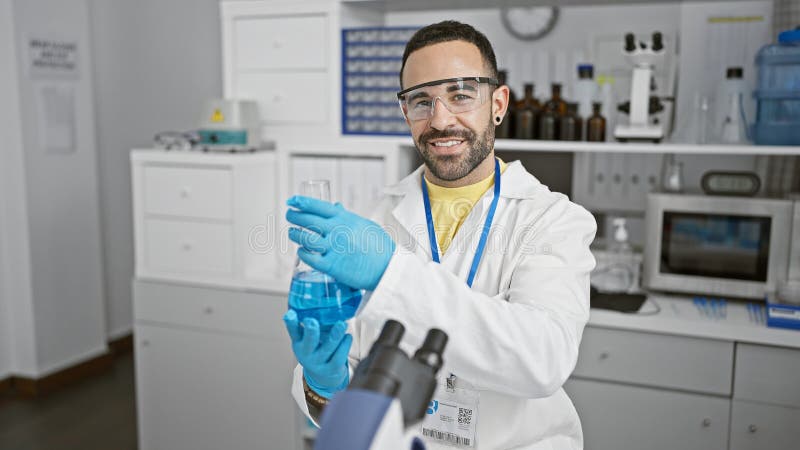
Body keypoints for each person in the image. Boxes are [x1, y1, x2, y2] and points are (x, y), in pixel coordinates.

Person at [283, 20, 597, 450]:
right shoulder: (374, 221)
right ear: (404, 112)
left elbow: (544, 359)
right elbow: (352, 389)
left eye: (461, 94)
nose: (440, 119)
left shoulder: (552, 220)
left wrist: (389, 272)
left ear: (498, 103)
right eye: (421, 101)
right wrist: (324, 383)